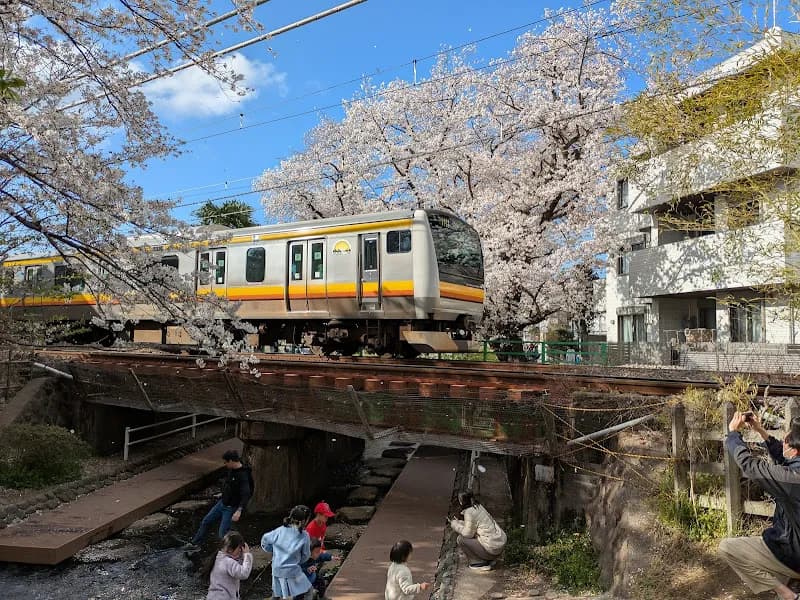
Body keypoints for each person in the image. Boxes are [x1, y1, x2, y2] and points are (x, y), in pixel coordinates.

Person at [719, 411, 800, 600]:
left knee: (728, 548)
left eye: (786, 439)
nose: (783, 441)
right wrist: (760, 430)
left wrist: (732, 434)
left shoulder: (792, 480)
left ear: (794, 449)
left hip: (794, 555)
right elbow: (787, 461)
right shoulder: (793, 475)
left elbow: (750, 465)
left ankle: (788, 595)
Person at [187, 450, 253, 550]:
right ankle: (195, 543)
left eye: (226, 462)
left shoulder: (243, 475)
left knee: (222, 533)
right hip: (222, 503)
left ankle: (234, 551)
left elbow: (246, 493)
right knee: (206, 521)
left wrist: (239, 510)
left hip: (231, 508)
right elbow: (228, 485)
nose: (225, 464)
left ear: (231, 461)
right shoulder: (231, 470)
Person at [261, 504, 313, 600]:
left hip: (276, 569)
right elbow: (306, 555)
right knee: (308, 591)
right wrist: (297, 560)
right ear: (304, 521)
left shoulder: (279, 530)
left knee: (277, 593)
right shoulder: (304, 535)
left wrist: (272, 550)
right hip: (292, 571)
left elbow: (265, 539)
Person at [448, 491, 506, 571]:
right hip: (497, 547)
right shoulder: (478, 506)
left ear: (462, 501)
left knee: (461, 539)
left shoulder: (469, 512)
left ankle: (478, 563)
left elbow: (467, 534)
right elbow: (475, 525)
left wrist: (455, 525)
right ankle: (489, 560)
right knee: (473, 537)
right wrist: (461, 523)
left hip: (491, 550)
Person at [204, 531, 253, 600]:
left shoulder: (219, 558)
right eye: (239, 548)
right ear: (230, 549)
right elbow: (243, 573)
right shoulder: (228, 562)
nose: (240, 550)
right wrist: (247, 555)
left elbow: (237, 564)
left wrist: (242, 556)